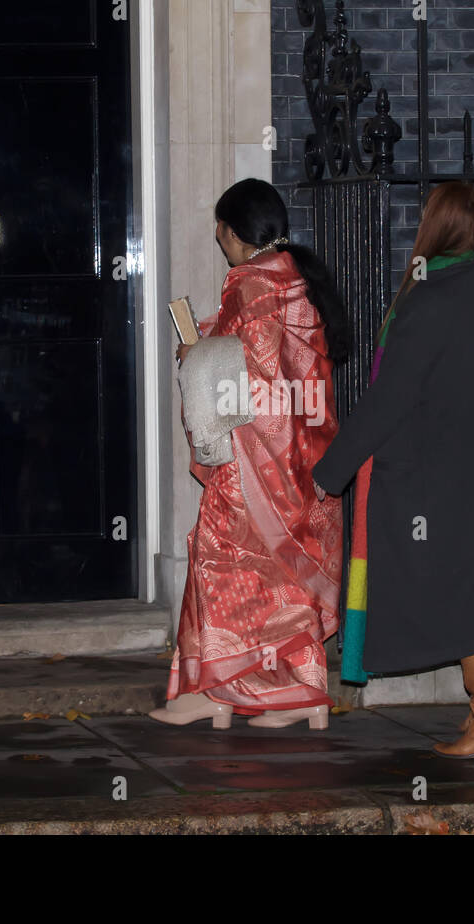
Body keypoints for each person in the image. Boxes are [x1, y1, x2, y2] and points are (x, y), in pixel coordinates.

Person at [312, 181, 474, 759]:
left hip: (431, 472)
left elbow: (389, 399)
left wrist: (329, 472)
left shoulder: (430, 296)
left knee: (450, 583)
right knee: (472, 582)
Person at [149, 178, 349, 730]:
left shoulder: (252, 282)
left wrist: (195, 350)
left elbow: (254, 365)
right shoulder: (293, 278)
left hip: (253, 455)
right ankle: (296, 693)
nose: (216, 237)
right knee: (282, 570)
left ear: (233, 233)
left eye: (219, 228)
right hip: (298, 452)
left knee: (220, 560)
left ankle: (218, 690)